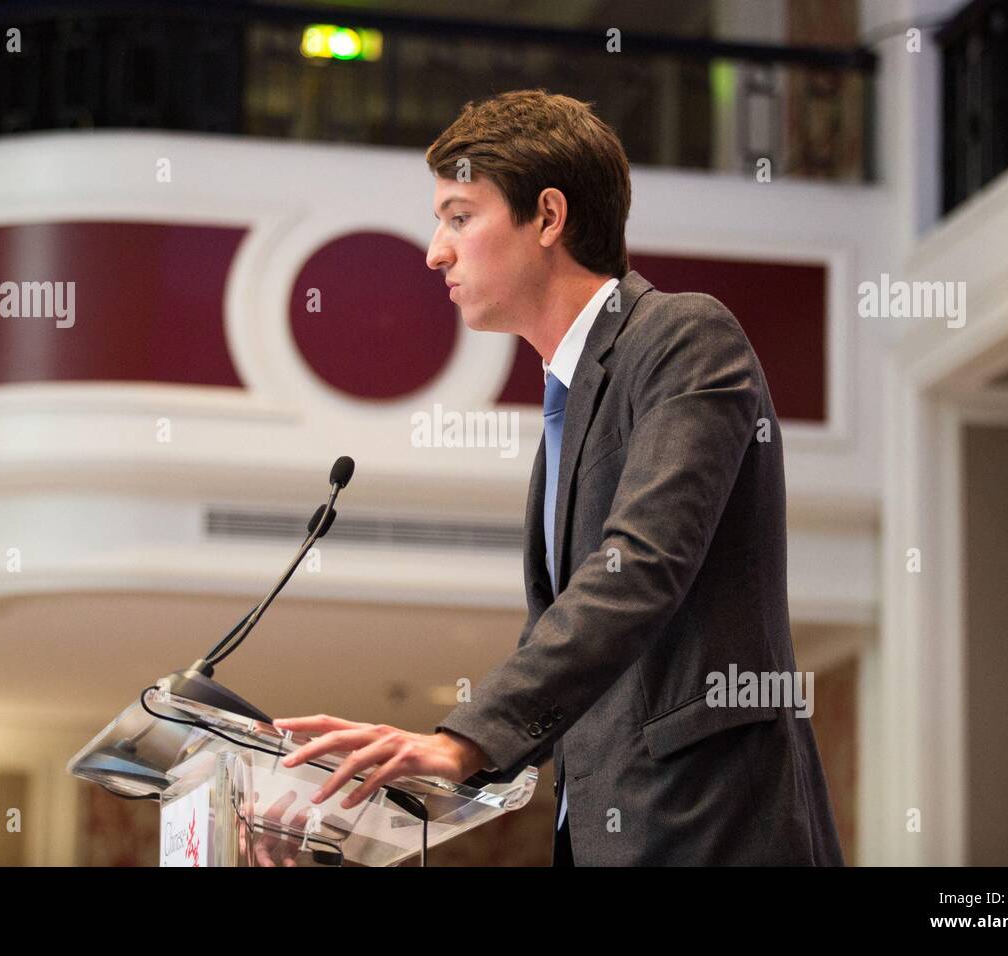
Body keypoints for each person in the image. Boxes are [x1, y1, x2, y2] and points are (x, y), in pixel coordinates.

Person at [274, 89, 843, 866]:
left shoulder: (684, 336)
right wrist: (383, 800)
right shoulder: (567, 413)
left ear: (547, 217)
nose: (435, 251)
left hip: (711, 826)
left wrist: (463, 738)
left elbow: (642, 567)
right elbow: (567, 636)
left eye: (459, 215)